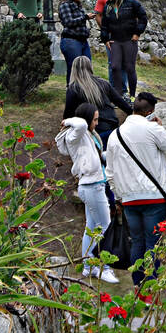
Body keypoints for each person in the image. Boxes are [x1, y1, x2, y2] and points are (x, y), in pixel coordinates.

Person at [105, 92, 166, 287]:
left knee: (137, 242)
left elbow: (110, 172)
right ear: (150, 112)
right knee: (153, 243)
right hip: (153, 196)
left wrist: (118, 195)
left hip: (129, 198)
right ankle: (151, 285)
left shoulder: (116, 134)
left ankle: (138, 285)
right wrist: (160, 128)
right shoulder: (153, 129)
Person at [55, 102, 118, 284]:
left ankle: (89, 266)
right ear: (86, 118)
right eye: (95, 119)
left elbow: (95, 158)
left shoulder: (89, 135)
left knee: (91, 228)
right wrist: (68, 120)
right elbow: (81, 124)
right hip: (91, 186)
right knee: (105, 226)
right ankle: (104, 267)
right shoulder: (76, 134)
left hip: (95, 183)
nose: (97, 123)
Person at [64, 55, 130, 149]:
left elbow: (68, 114)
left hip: (93, 133)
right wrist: (135, 115)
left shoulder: (73, 89)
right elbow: (121, 102)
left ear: (73, 70)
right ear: (90, 67)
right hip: (112, 128)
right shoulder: (104, 83)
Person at [99, 0, 149, 98]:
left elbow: (143, 18)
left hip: (129, 40)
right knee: (115, 66)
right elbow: (104, 24)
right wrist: (105, 39)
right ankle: (119, 95)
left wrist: (137, 33)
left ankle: (131, 96)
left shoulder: (131, 3)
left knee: (130, 67)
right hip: (115, 40)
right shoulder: (108, 6)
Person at [57, 0, 93, 82]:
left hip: (82, 41)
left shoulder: (78, 5)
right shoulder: (65, 5)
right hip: (71, 41)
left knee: (87, 67)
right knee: (74, 69)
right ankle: (72, 92)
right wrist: (85, 17)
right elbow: (68, 22)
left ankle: (85, 93)